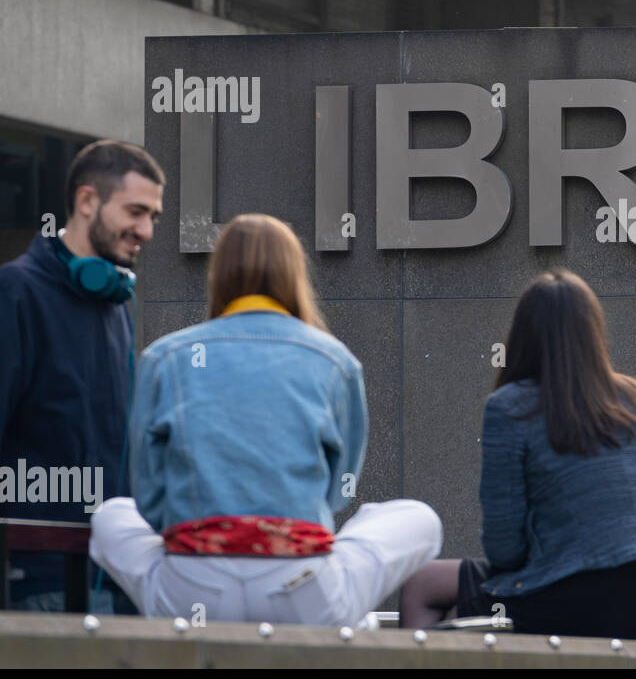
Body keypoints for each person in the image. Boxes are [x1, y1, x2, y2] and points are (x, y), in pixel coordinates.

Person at [89, 213, 442, 626]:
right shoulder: (335, 360)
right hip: (302, 588)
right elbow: (336, 491)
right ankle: (347, 616)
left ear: (215, 277)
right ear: (295, 275)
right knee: (420, 519)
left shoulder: (165, 357)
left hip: (191, 591)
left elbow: (148, 499)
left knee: (110, 514)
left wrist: (211, 531)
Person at [400, 268, 636, 639]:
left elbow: (504, 548)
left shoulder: (510, 406)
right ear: (593, 332)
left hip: (573, 589)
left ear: (523, 335)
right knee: (465, 610)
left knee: (421, 584)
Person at [0, 139, 165, 613]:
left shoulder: (113, 306)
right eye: (136, 211)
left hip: (113, 582)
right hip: (34, 582)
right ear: (87, 201)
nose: (147, 230)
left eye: (153, 216)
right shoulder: (15, 294)